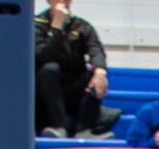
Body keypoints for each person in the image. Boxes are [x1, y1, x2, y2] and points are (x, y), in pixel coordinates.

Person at [34, 0, 118, 138]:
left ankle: (84, 130)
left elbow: (95, 50)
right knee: (50, 69)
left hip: (73, 91)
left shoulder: (81, 25)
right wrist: (57, 27)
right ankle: (58, 127)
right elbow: (45, 56)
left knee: (96, 74)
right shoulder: (36, 24)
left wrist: (100, 71)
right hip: (45, 95)